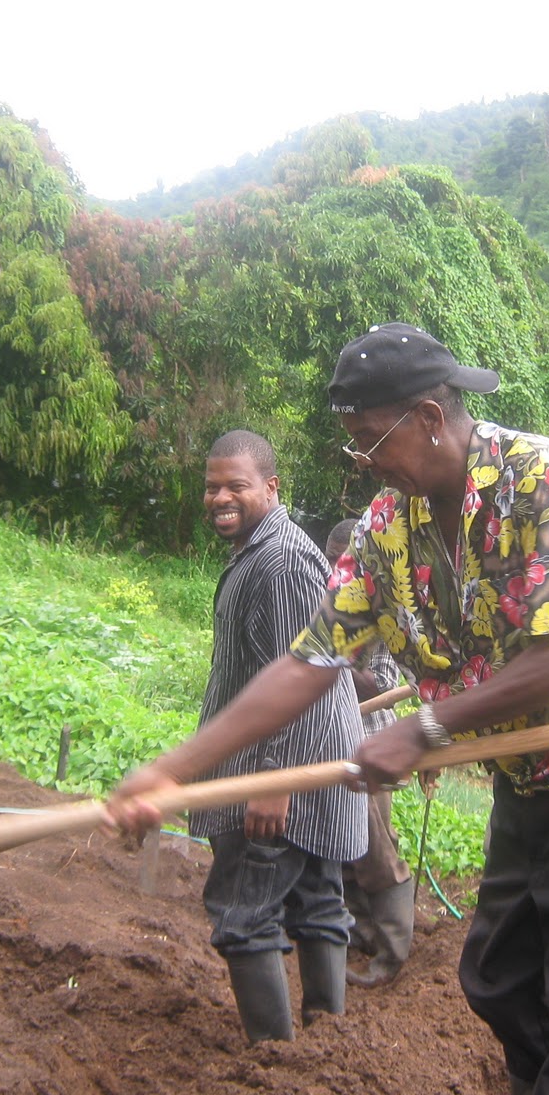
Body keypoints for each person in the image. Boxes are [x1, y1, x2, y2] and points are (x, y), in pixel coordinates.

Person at [112, 325, 549, 1095]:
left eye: (368, 438)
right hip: (526, 788)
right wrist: (175, 768)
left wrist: (425, 728)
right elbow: (308, 661)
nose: (360, 459)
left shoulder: (540, 482)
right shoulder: (389, 524)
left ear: (428, 416)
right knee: (504, 984)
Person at [180, 429, 367, 1044]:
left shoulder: (282, 560)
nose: (220, 498)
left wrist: (272, 780)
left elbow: (298, 679)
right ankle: (326, 1044)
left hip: (283, 773)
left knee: (243, 912)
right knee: (316, 901)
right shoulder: (262, 551)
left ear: (271, 486)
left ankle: (277, 1065)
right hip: (308, 769)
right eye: (212, 487)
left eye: (236, 485)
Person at [324, 518, 415, 990]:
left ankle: (392, 954)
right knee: (345, 847)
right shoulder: (331, 608)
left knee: (377, 853)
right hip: (332, 744)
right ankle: (361, 935)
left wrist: (334, 660)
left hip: (371, 743)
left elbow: (382, 684)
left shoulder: (377, 617)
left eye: (343, 566)